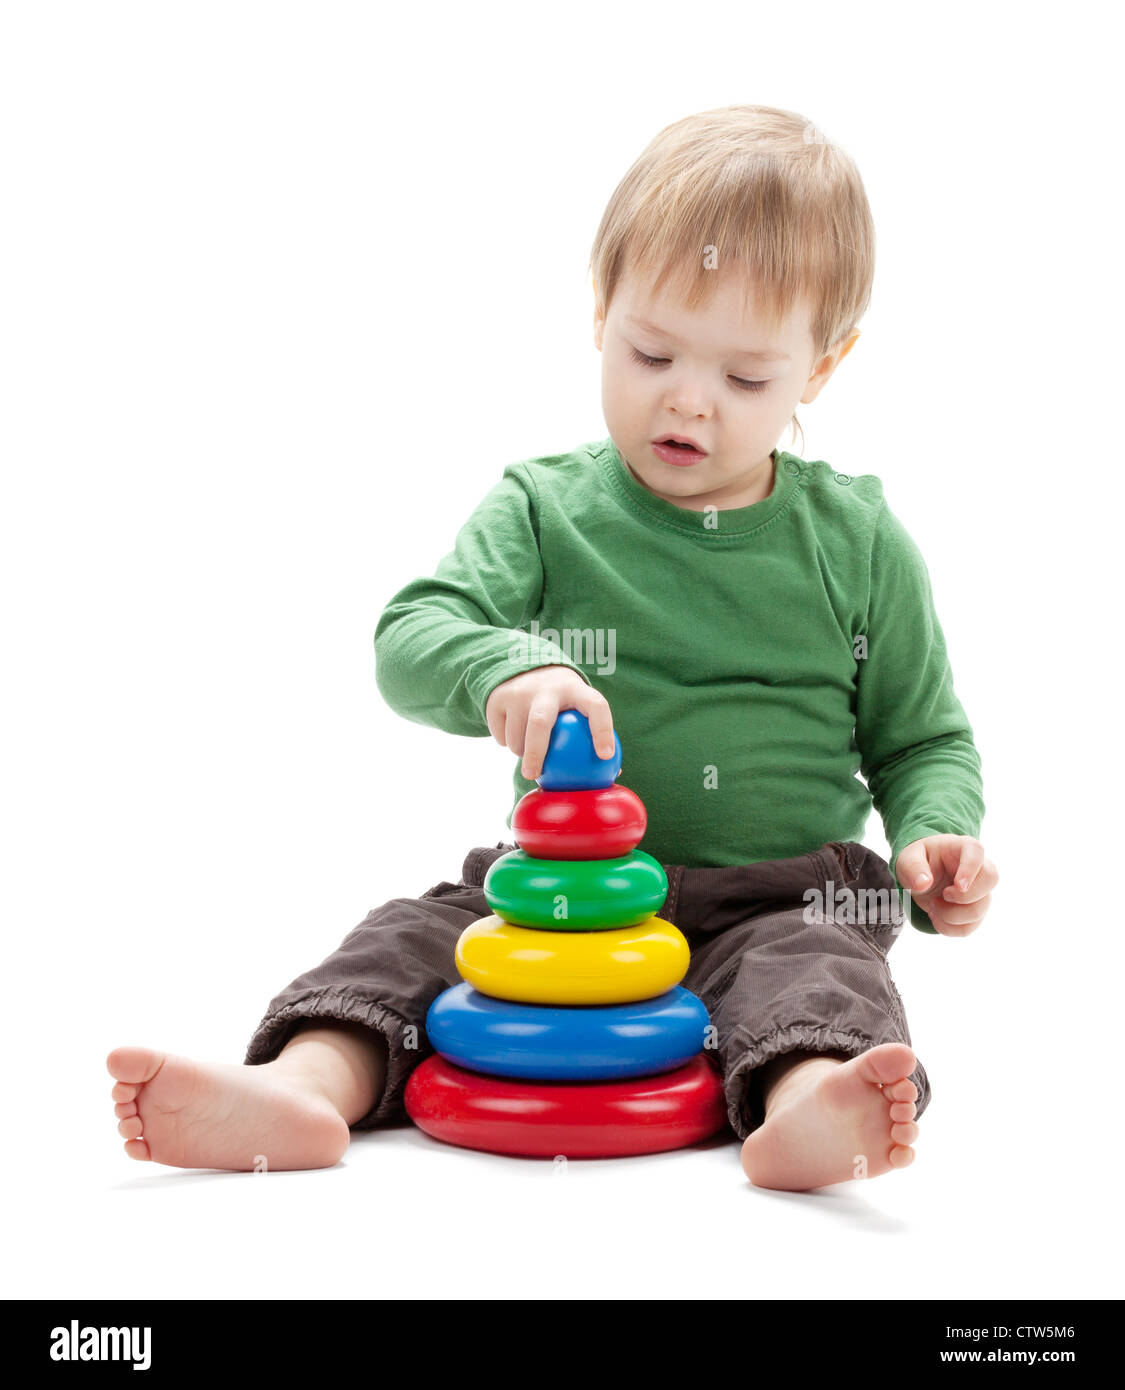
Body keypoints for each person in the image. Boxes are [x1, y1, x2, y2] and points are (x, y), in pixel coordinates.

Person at [107, 104, 998, 1190]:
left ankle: (814, 1105)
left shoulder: (857, 541)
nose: (687, 398)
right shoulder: (543, 506)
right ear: (599, 313)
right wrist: (505, 667)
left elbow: (920, 740)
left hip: (779, 895)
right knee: (406, 941)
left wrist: (934, 839)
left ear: (823, 367)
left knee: (814, 977)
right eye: (652, 348)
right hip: (555, 892)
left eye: (747, 378)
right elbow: (410, 637)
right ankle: (301, 1088)